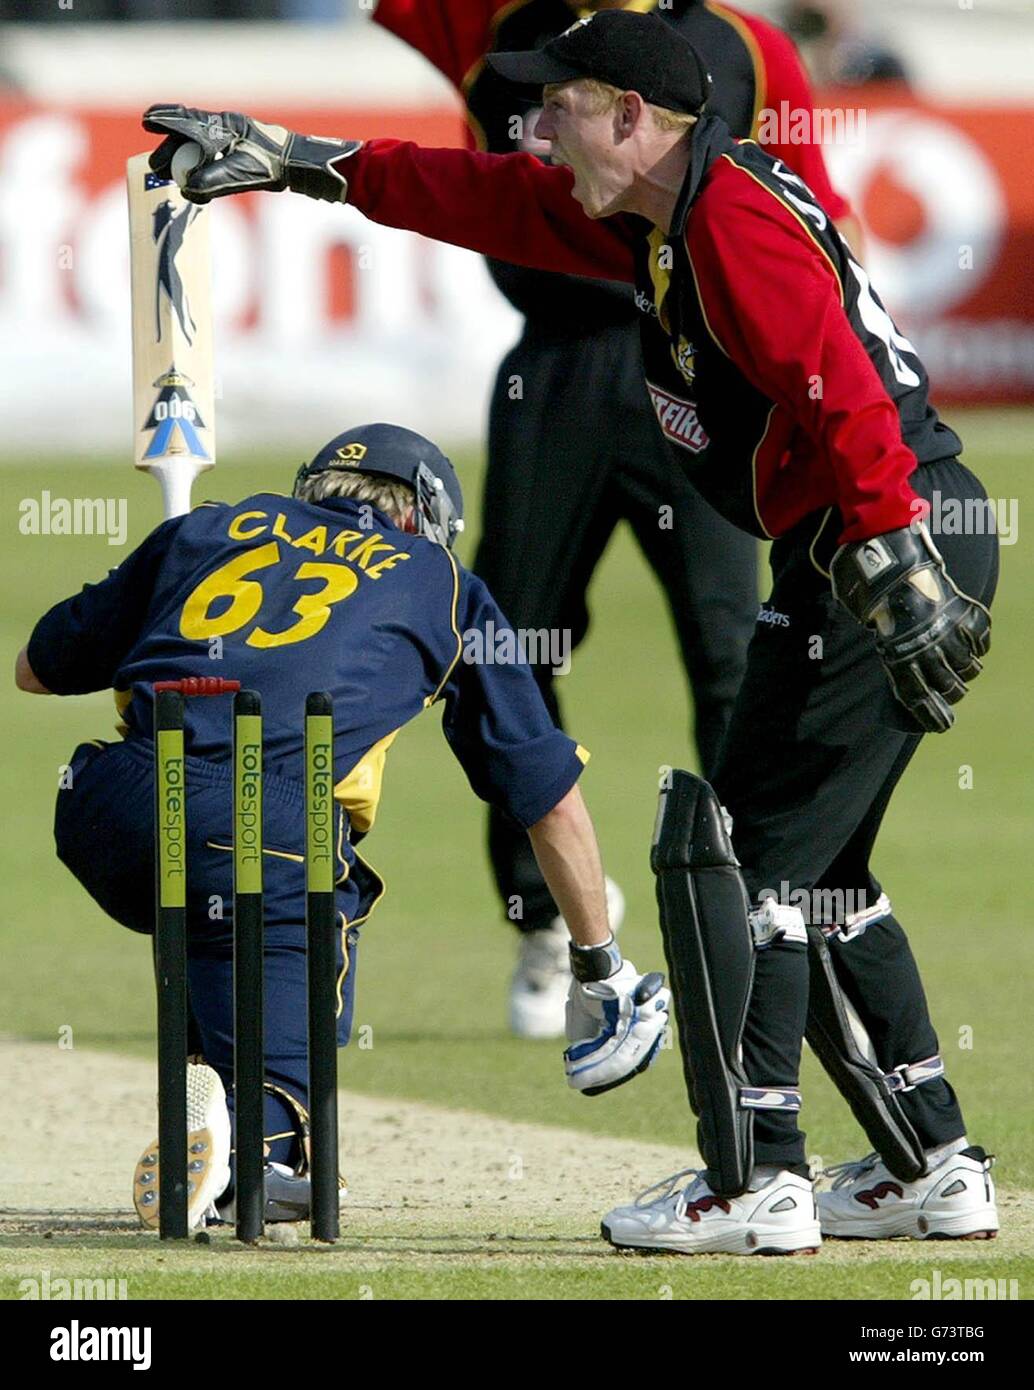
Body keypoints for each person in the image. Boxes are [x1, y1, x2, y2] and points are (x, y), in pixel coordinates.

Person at [140, 5, 1001, 1255]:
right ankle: (933, 1163)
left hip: (885, 547)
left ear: (631, 119)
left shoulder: (722, 221)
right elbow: (467, 194)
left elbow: (837, 378)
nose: (533, 128)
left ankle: (749, 1178)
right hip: (865, 546)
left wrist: (887, 553)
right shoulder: (653, 214)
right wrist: (289, 156)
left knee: (733, 866)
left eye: (557, 108)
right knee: (814, 876)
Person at [15, 422, 669, 1231]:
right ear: (422, 516)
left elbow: (36, 669)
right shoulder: (445, 584)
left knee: (216, 912)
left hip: (105, 804)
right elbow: (547, 797)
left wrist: (171, 573)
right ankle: (260, 1139)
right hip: (265, 823)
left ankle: (211, 1096)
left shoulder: (212, 524)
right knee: (313, 886)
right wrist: (599, 962)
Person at [372, 0, 859, 1040]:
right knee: (505, 639)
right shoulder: (494, 25)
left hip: (696, 362)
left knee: (734, 651)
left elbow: (818, 214)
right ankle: (550, 917)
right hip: (550, 367)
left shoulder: (744, 45)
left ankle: (749, 911)